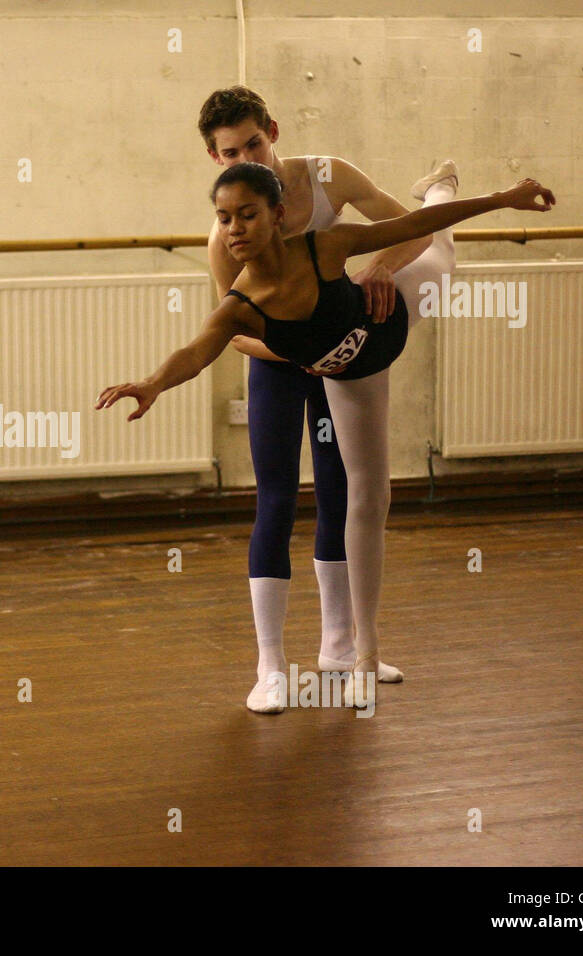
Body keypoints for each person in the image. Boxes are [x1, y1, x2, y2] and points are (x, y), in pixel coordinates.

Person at [96, 163, 554, 707]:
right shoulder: (241, 306)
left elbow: (414, 228)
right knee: (369, 493)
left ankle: (440, 178)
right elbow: (196, 352)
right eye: (225, 219)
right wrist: (152, 383)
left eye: (247, 214)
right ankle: (361, 655)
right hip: (351, 375)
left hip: (391, 315)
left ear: (278, 215)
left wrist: (505, 197)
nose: (236, 228)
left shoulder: (324, 248)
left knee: (442, 254)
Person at [198, 86, 457, 712]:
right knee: (278, 497)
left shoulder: (327, 178)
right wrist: (297, 350)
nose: (244, 158)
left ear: (274, 131)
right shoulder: (226, 236)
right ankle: (269, 666)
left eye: (253, 143)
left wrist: (378, 270)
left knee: (343, 490)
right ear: (215, 159)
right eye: (229, 153)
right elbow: (233, 332)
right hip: (283, 360)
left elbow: (413, 234)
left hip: (341, 347)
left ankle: (340, 646)